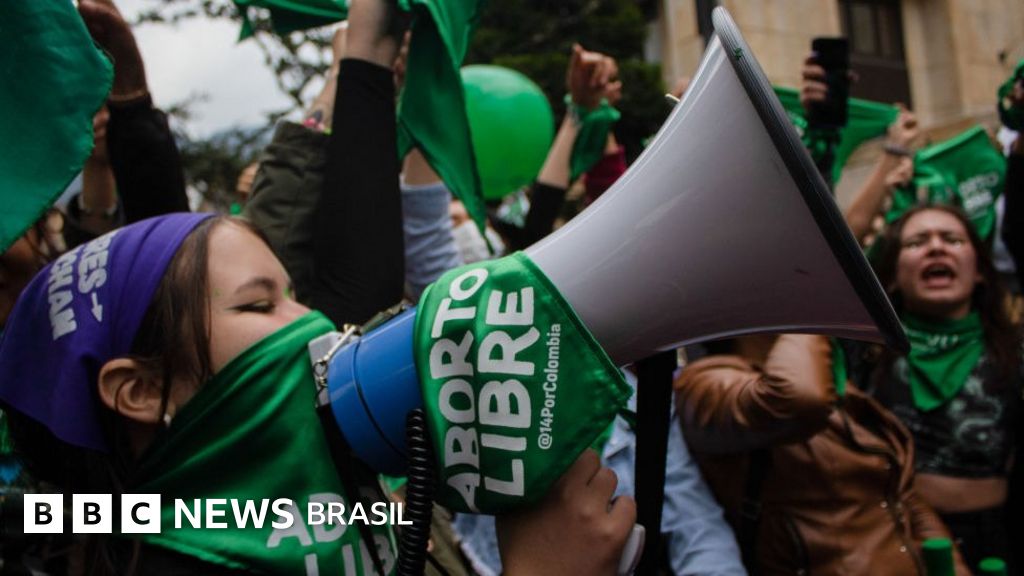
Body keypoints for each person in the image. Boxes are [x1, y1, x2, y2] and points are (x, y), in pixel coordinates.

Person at [0, 1, 637, 573]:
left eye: (290, 293)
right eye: (260, 304)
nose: (318, 321)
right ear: (139, 390)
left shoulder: (295, 513)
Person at [675, 333, 969, 575]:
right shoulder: (703, 383)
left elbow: (900, 495)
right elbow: (797, 398)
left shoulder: (837, 383)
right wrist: (811, 312)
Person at [857, 202, 1023, 570]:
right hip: (888, 538)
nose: (936, 247)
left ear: (979, 271)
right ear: (894, 278)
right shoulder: (868, 352)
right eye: (917, 242)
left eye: (952, 239)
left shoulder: (1014, 351)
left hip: (992, 541)